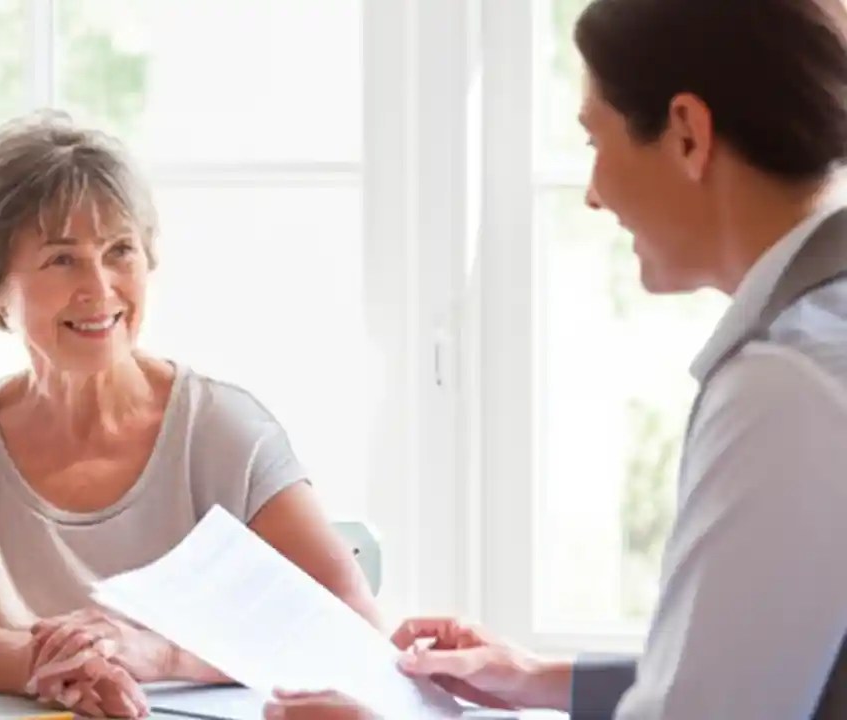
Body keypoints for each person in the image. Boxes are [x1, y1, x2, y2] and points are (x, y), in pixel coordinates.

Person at [265, 0, 847, 718]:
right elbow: (774, 665)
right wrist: (543, 678)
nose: (595, 194)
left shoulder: (785, 385)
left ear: (689, 134)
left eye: (594, 141)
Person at [0, 111, 381, 718]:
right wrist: (56, 667)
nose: (99, 287)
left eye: (119, 251)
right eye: (62, 259)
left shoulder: (222, 430)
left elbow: (351, 620)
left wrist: (159, 654)